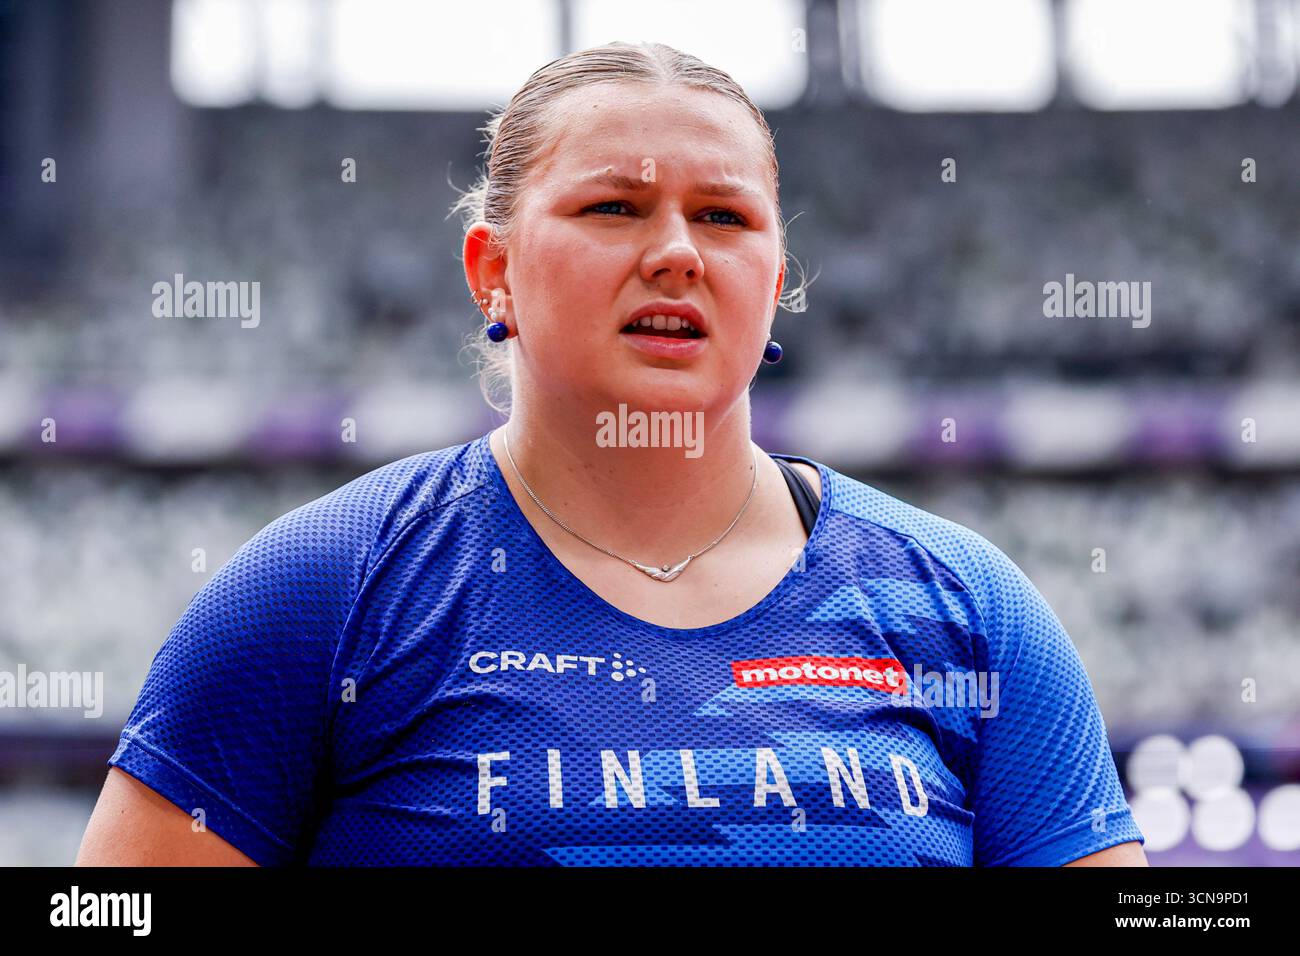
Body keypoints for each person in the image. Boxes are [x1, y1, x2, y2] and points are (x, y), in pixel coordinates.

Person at [76, 41, 1145, 867]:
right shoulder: (326, 586)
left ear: (773, 281)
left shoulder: (966, 606)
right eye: (614, 207)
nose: (676, 252)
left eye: (723, 215)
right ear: (491, 269)